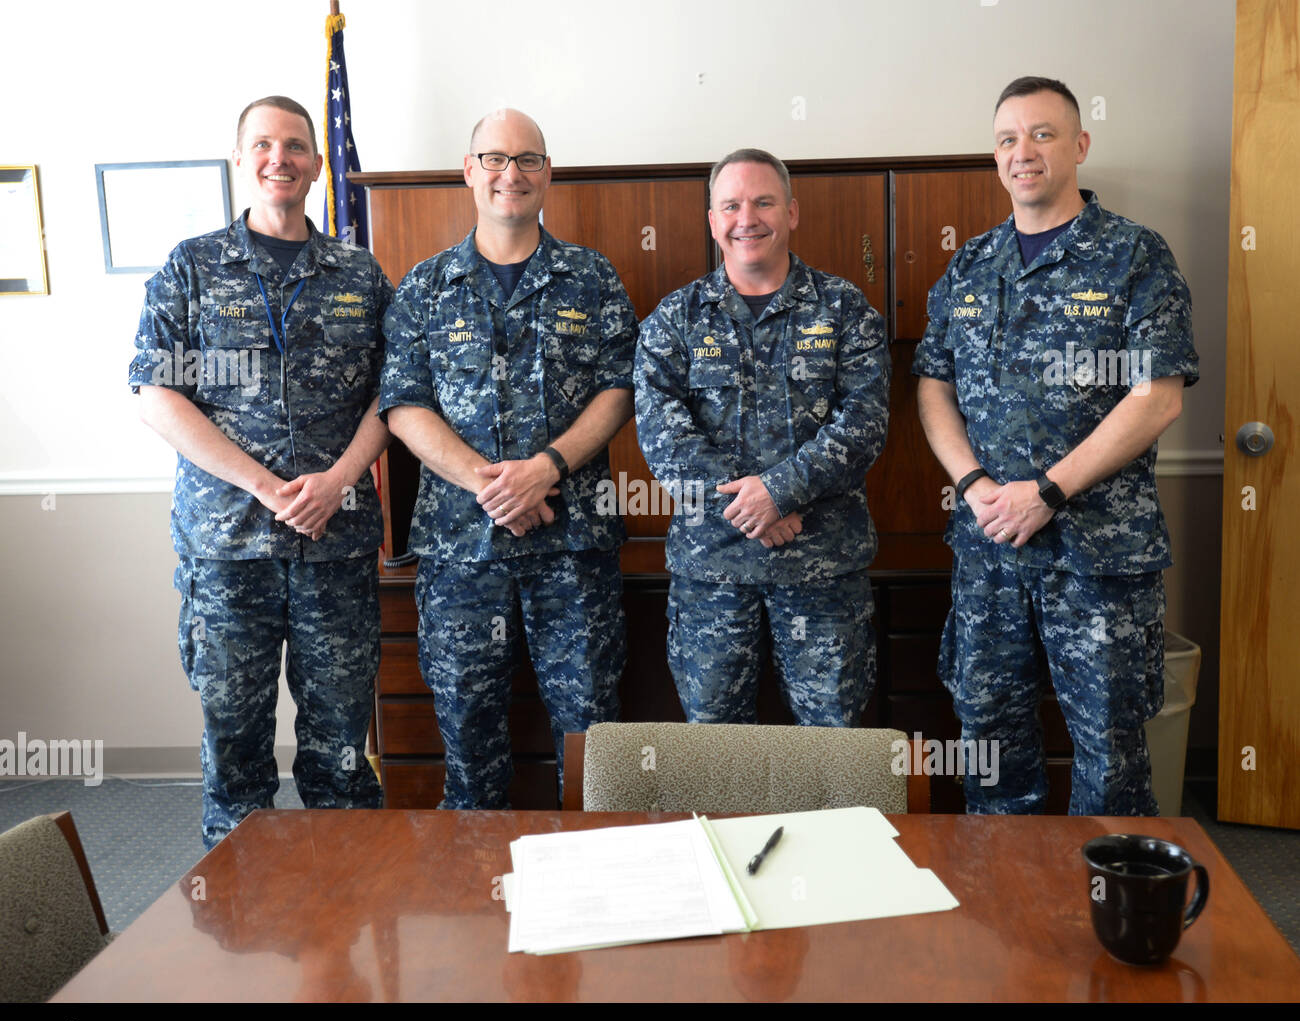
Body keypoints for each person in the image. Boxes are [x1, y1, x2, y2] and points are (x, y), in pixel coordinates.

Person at [913, 76, 1199, 815]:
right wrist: (975, 482)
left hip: (1099, 555)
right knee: (990, 742)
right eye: (1008, 139)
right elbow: (933, 386)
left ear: (1080, 144)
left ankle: (1100, 917)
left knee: (1110, 752)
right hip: (990, 550)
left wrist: (1048, 490)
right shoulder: (970, 266)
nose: (1023, 152)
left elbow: (1157, 396)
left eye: (1042, 134)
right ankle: (1003, 917)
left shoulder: (1134, 256)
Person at [130, 96, 391, 847]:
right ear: (241, 160)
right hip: (227, 548)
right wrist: (262, 485)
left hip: (334, 548)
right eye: (264, 145)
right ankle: (241, 937)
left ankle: (346, 918)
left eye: (296, 145)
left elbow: (394, 394)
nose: (281, 158)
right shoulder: (192, 266)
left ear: (315, 162)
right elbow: (157, 396)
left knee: (341, 754)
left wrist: (340, 478)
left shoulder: (359, 273)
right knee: (237, 755)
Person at [380, 108, 635, 808]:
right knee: (468, 745)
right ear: (470, 172)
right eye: (494, 158)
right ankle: (478, 900)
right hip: (462, 555)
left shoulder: (592, 278)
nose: (510, 174)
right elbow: (402, 406)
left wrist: (544, 469)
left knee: (594, 751)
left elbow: (620, 389)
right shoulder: (425, 287)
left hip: (573, 547)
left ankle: (600, 897)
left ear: (547, 173)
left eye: (526, 159)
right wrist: (491, 487)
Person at [635, 148, 890, 726]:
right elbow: (662, 435)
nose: (746, 218)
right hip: (713, 575)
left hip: (823, 572)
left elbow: (864, 423)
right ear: (712, 220)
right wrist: (755, 508)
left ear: (792, 212)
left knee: (836, 756)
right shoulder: (675, 319)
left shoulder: (845, 309)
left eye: (763, 202)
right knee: (719, 761)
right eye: (731, 205)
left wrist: (780, 491)